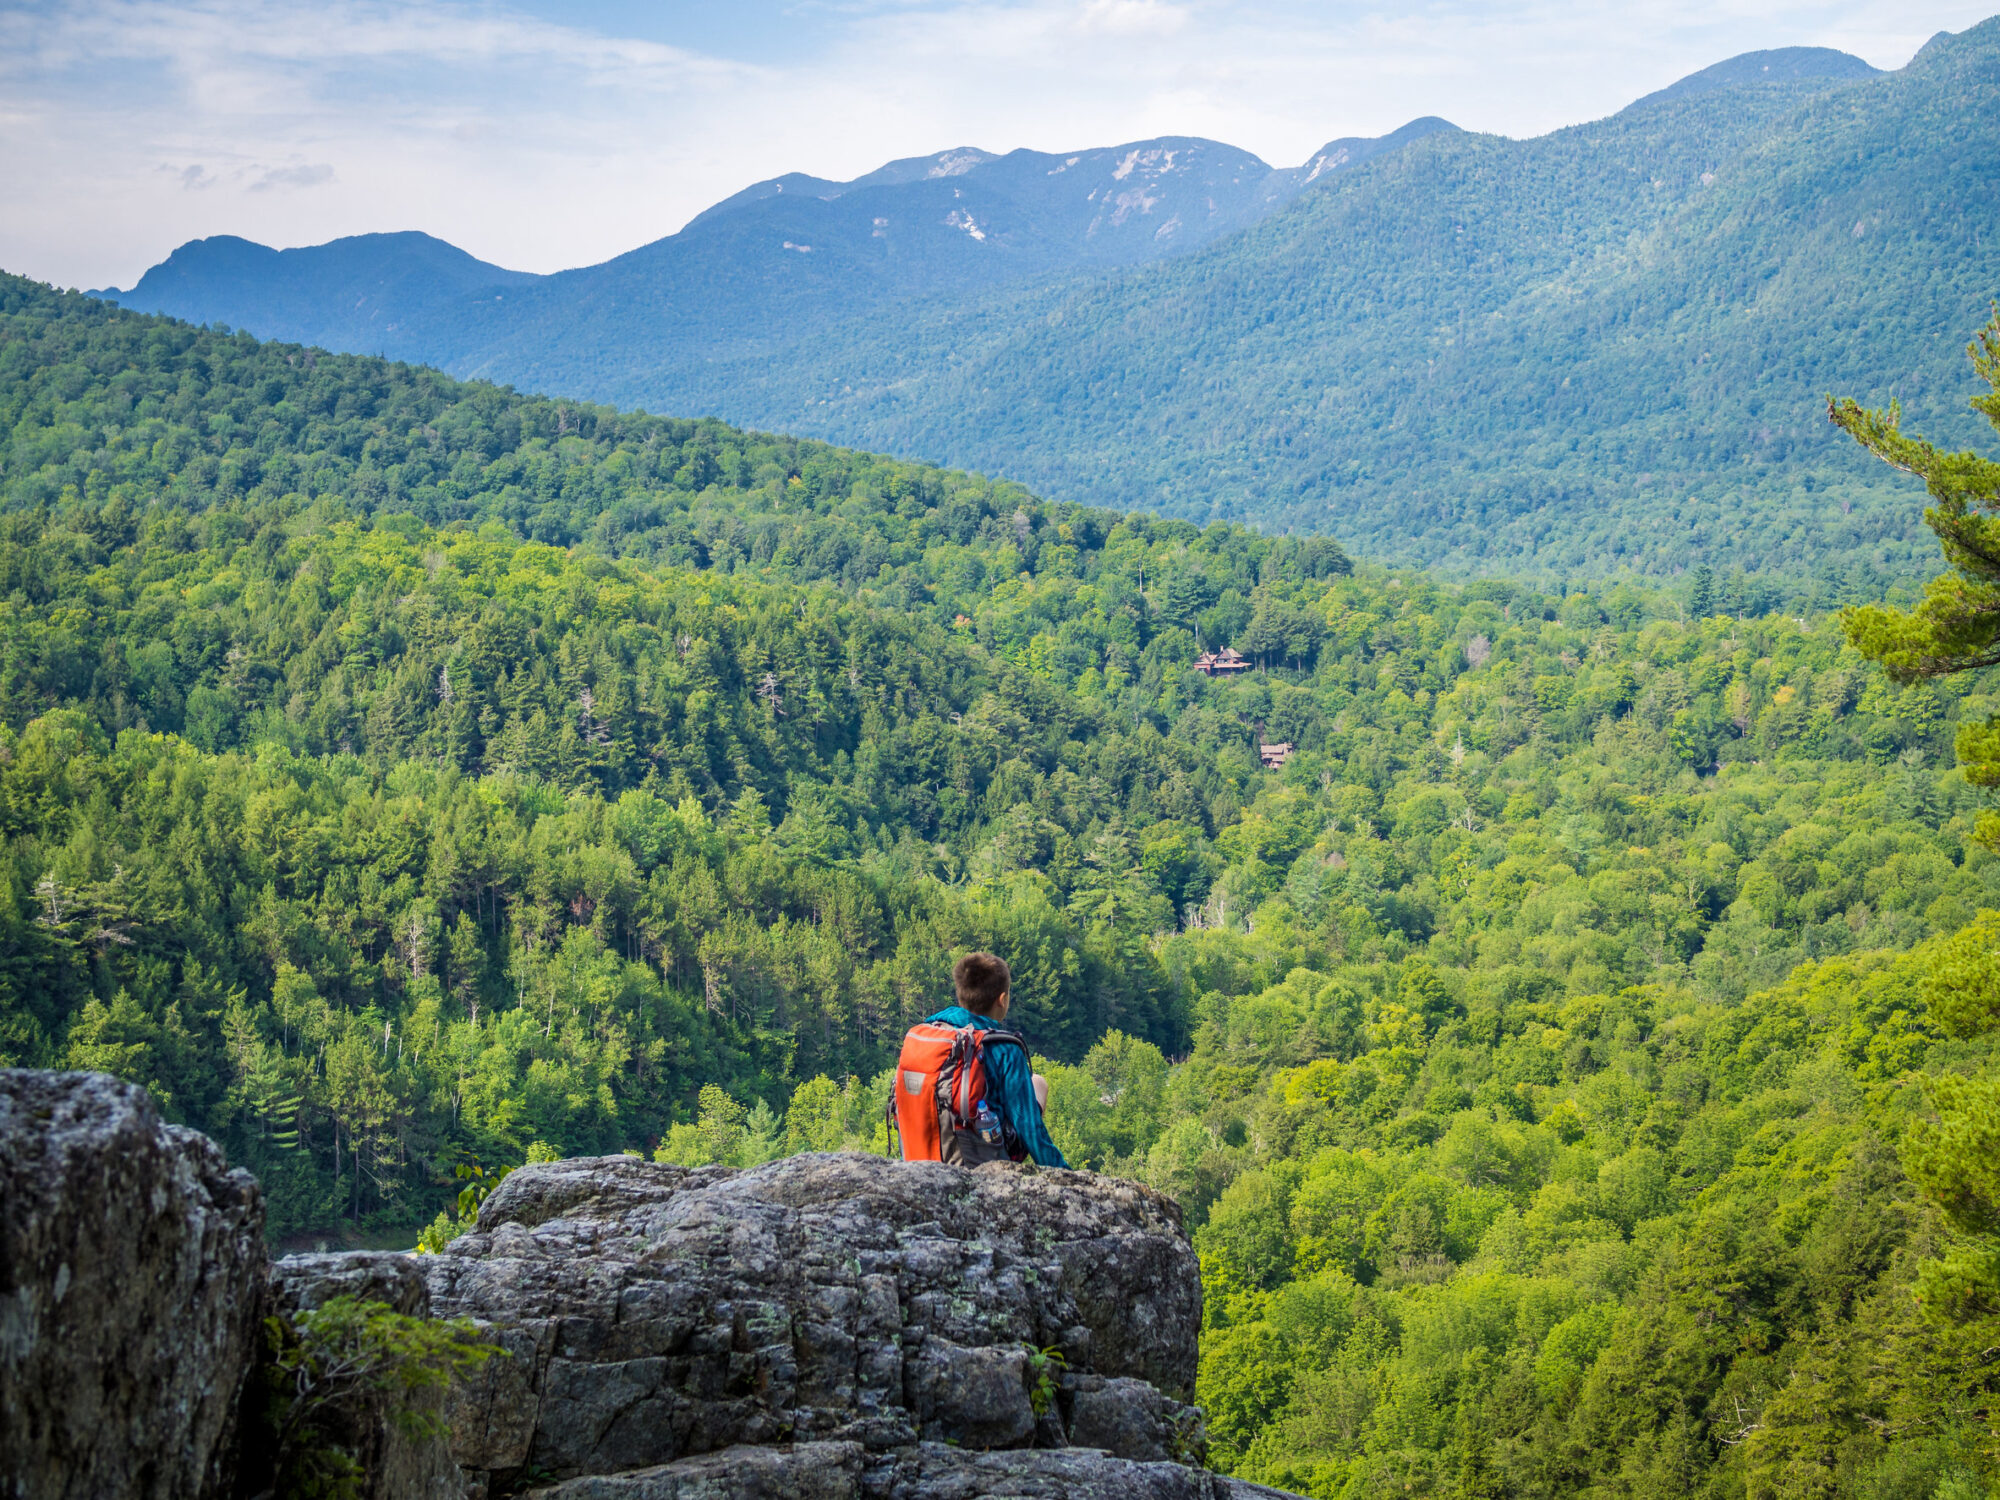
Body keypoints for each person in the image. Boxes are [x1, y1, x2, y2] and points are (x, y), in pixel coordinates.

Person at [900, 952, 1068, 1168]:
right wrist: (1064, 1175)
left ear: (961, 995)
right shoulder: (1004, 1048)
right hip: (982, 1156)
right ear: (1002, 1000)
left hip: (924, 1152)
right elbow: (1028, 1125)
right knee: (1038, 1082)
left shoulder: (931, 1031)